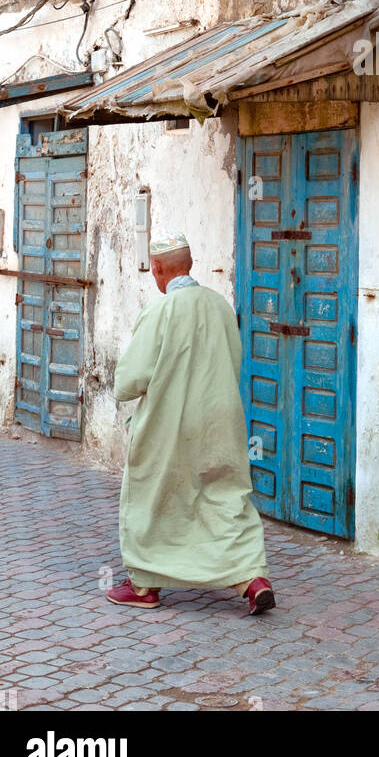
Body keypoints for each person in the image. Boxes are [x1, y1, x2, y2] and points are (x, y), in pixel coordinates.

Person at [105, 233, 275, 615]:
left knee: (155, 496)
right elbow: (231, 362)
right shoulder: (220, 306)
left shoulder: (160, 312)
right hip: (219, 422)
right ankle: (252, 578)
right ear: (191, 264)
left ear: (159, 268)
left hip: (169, 427)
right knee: (226, 497)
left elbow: (128, 382)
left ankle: (144, 584)